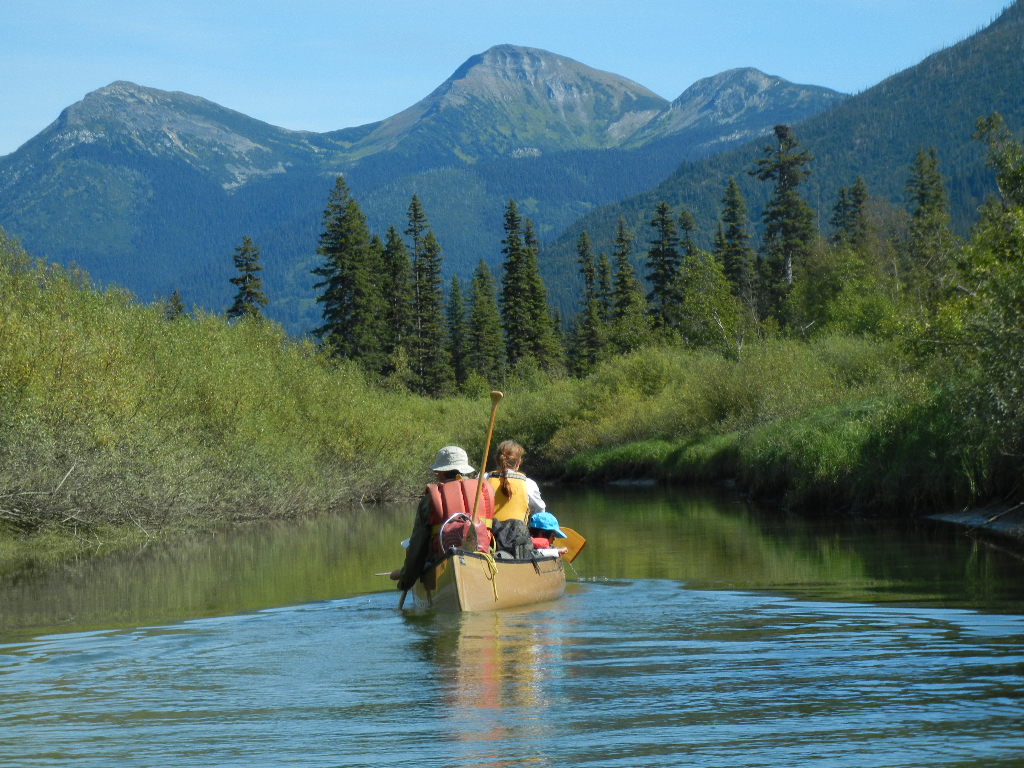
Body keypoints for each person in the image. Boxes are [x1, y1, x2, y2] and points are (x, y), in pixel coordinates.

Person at [390, 445, 481, 592]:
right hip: (480, 562)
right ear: (465, 470)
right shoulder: (483, 491)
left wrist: (405, 581)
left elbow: (417, 547)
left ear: (441, 472)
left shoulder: (429, 500)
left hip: (441, 563)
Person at [487, 439, 547, 523]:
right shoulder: (529, 484)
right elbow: (540, 511)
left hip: (489, 531)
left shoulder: (484, 479)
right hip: (518, 531)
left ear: (497, 460)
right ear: (518, 463)